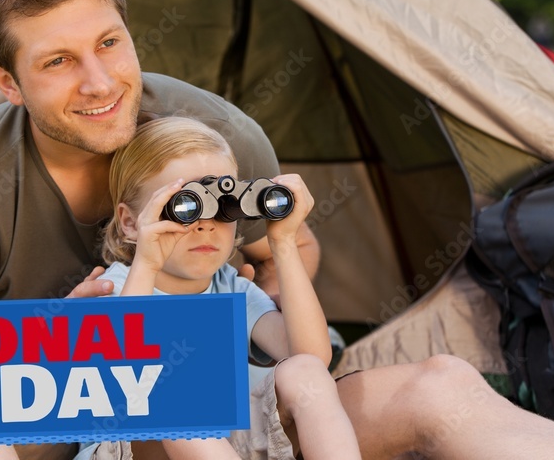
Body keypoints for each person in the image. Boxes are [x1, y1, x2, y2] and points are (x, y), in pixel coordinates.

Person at [0, 0, 554, 460]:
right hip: (71, 427)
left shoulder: (213, 135)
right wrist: (65, 337)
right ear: (8, 83)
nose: (102, 82)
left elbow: (282, 286)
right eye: (58, 62)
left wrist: (282, 251)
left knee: (443, 384)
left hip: (234, 416)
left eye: (110, 43)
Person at [73, 117, 360, 460]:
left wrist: (283, 242)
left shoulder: (231, 288)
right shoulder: (110, 288)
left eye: (223, 208)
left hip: (227, 446)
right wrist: (147, 264)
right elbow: (122, 373)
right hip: (132, 448)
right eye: (184, 207)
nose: (205, 225)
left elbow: (312, 356)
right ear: (131, 222)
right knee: (174, 393)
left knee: (306, 371)